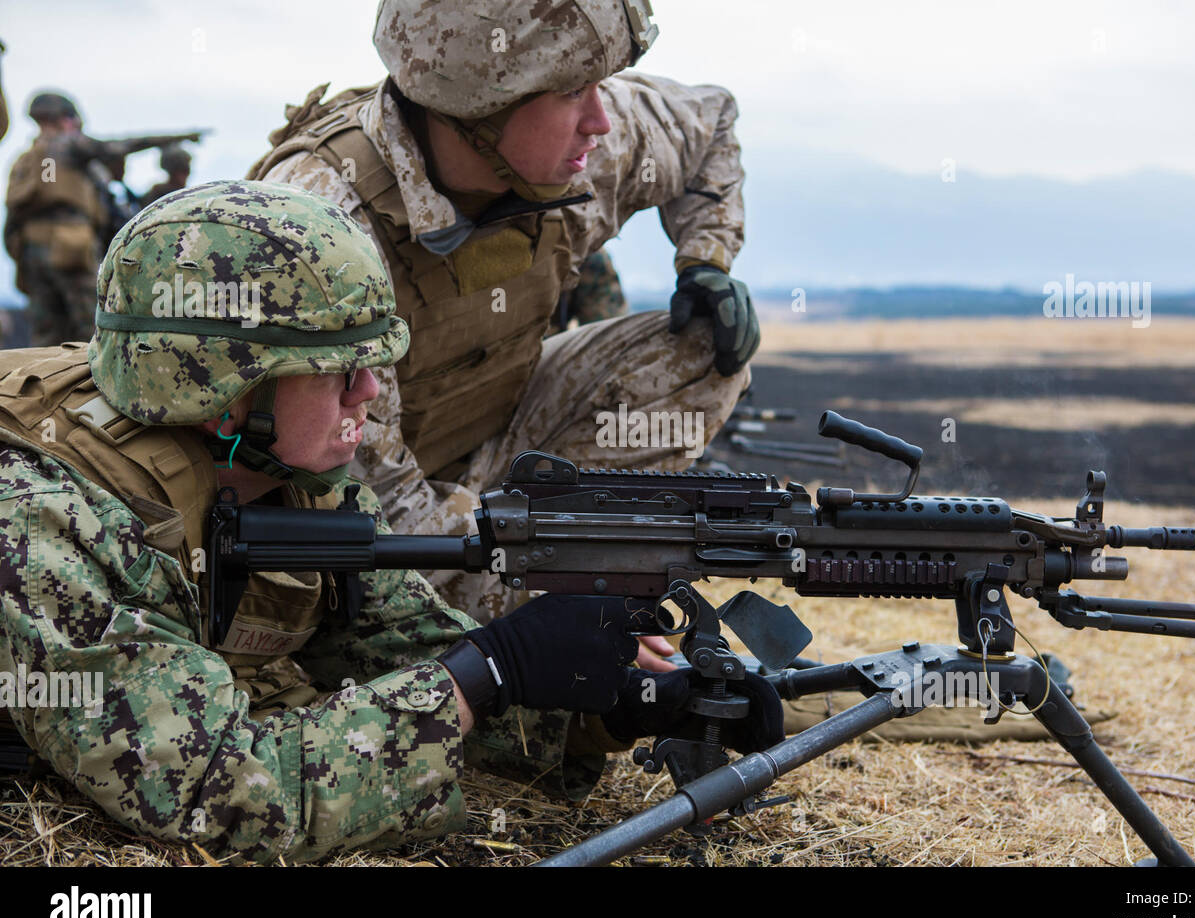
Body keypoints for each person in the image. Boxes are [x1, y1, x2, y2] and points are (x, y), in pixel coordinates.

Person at [0, 180, 785, 863]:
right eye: (341, 369)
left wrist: (615, 704)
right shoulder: (40, 516)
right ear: (225, 380)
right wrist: (488, 671)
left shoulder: (288, 476)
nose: (371, 390)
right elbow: (221, 798)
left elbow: (409, 662)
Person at [250, 0, 760, 644]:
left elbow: (710, 121)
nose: (600, 121)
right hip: (354, 516)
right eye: (574, 93)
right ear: (481, 105)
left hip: (490, 446)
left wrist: (705, 258)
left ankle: (575, 563)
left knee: (699, 351)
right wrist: (547, 632)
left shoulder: (583, 149)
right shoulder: (324, 227)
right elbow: (382, 517)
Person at [3, 91, 203, 345]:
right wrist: (175, 138)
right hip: (69, 245)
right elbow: (121, 146)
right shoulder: (66, 146)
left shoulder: (29, 159)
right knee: (92, 328)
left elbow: (21, 207)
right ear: (66, 119)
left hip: (32, 251)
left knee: (46, 333)